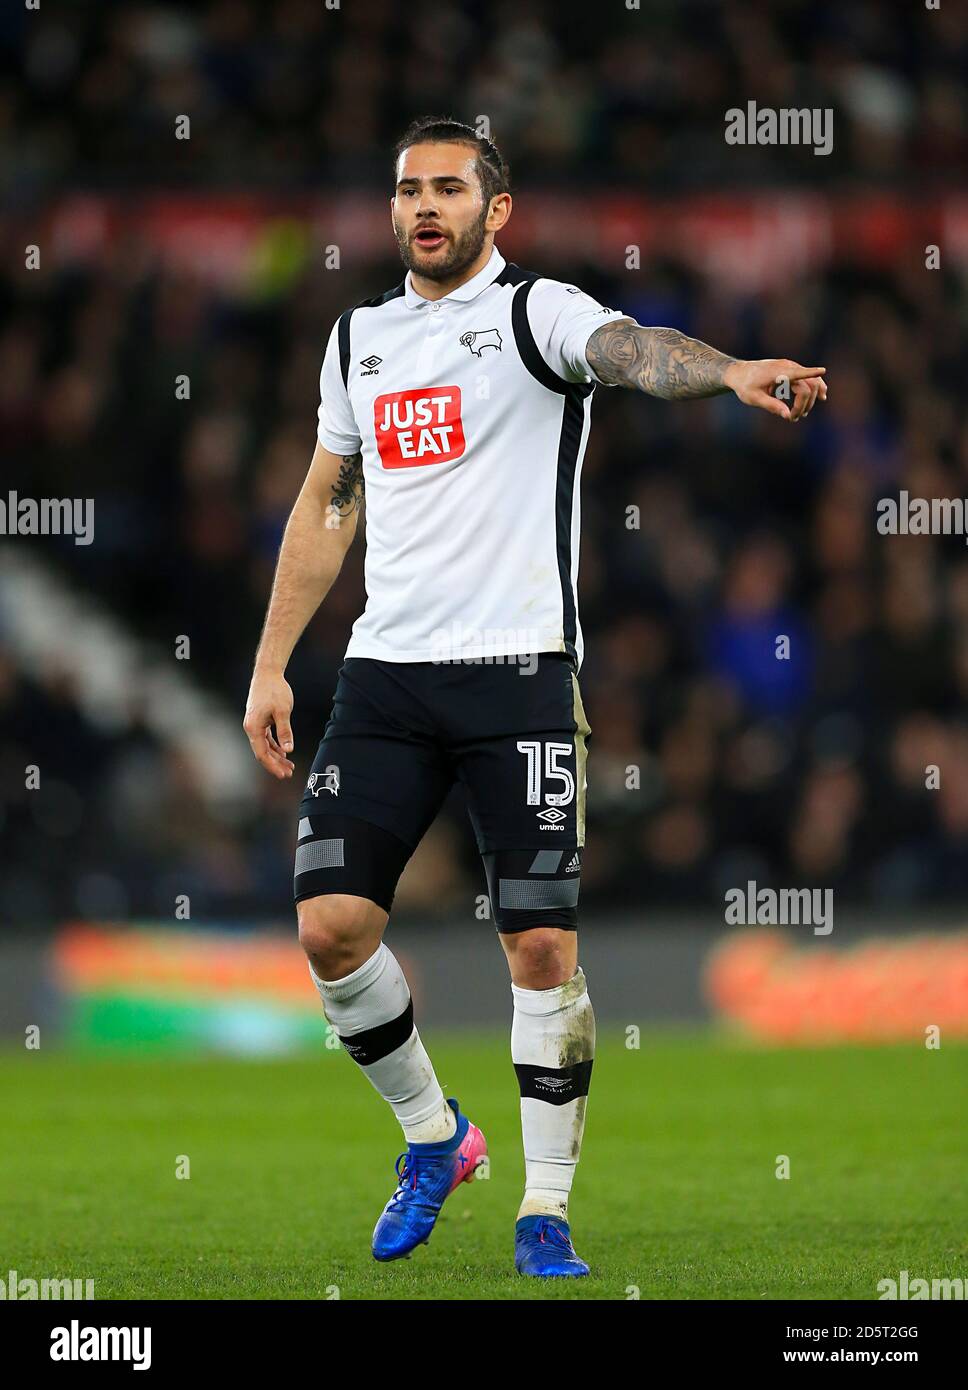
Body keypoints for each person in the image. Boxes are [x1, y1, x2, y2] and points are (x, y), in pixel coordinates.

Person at [243, 116, 827, 1279]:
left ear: (494, 210)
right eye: (408, 187)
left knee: (541, 946)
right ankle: (435, 1137)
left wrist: (726, 371)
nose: (424, 205)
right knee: (328, 927)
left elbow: (631, 347)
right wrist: (271, 658)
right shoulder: (358, 338)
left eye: (449, 188)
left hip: (516, 675)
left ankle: (544, 1209)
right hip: (384, 677)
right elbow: (326, 502)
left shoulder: (532, 313)